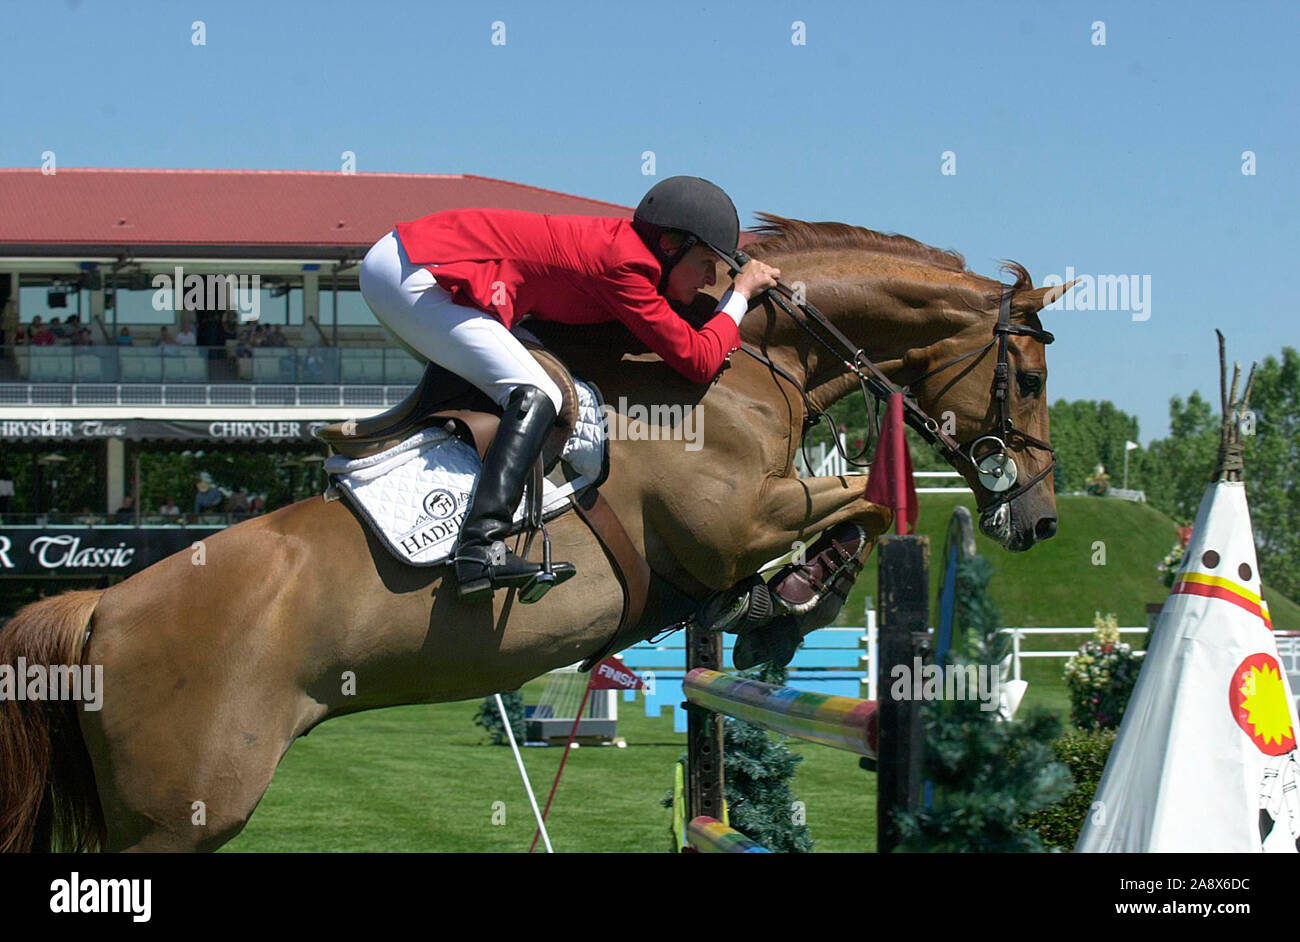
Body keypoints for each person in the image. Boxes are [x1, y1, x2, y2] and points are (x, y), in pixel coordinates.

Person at [359, 175, 779, 601]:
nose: (711, 280)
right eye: (707, 263)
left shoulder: (632, 257)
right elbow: (698, 360)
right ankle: (480, 548)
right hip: (413, 274)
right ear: (671, 244)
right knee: (538, 392)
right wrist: (740, 296)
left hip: (413, 263)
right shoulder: (624, 265)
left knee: (521, 377)